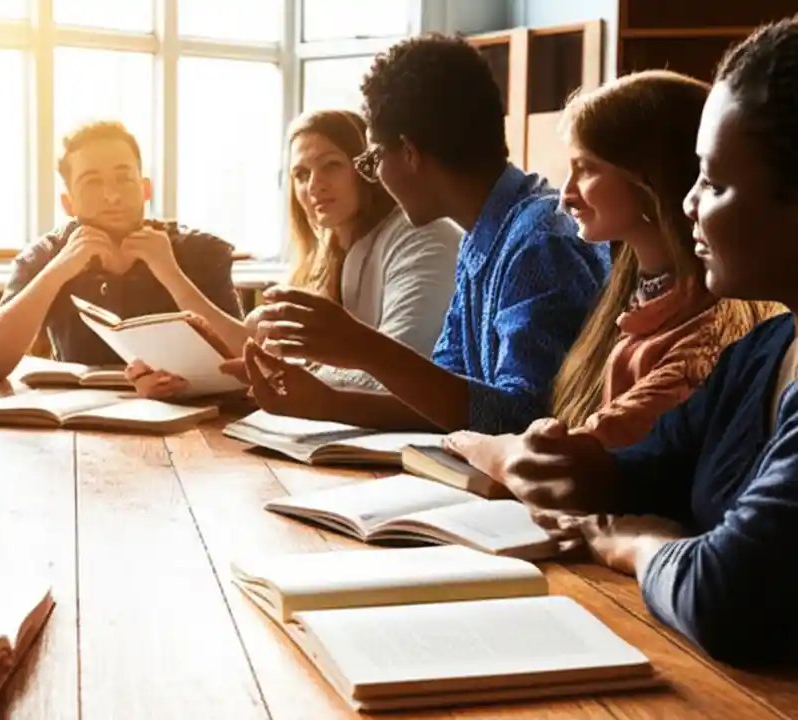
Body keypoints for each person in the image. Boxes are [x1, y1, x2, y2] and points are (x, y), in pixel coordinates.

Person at [446, 15, 798, 666]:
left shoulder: (726, 339)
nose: (688, 203)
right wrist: (584, 472)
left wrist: (630, 542)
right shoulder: (770, 349)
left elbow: (727, 594)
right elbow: (659, 466)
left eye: (715, 183)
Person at [241, 34, 610, 434]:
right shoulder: (480, 236)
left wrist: (363, 348)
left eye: (375, 159)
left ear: (409, 154)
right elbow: (451, 398)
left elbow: (522, 419)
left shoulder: (539, 243)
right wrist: (327, 402)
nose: (376, 177)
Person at [447, 71, 778, 481]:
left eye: (586, 168)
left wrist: (468, 443)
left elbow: (566, 459)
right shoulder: (630, 297)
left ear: (650, 178)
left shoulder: (709, 338)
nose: (566, 194)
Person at [130, 109, 461, 398]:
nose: (314, 185)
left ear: (367, 169)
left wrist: (281, 376)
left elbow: (401, 373)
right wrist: (172, 381)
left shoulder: (421, 238)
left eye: (331, 165)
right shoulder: (325, 255)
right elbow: (248, 353)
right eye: (301, 175)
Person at [0, 120, 244, 383]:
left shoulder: (202, 252)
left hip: (189, 413)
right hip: (78, 419)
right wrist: (57, 271)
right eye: (92, 183)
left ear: (145, 188)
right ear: (69, 203)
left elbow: (247, 361)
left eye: (124, 179)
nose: (112, 195)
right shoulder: (44, 256)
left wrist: (172, 275)